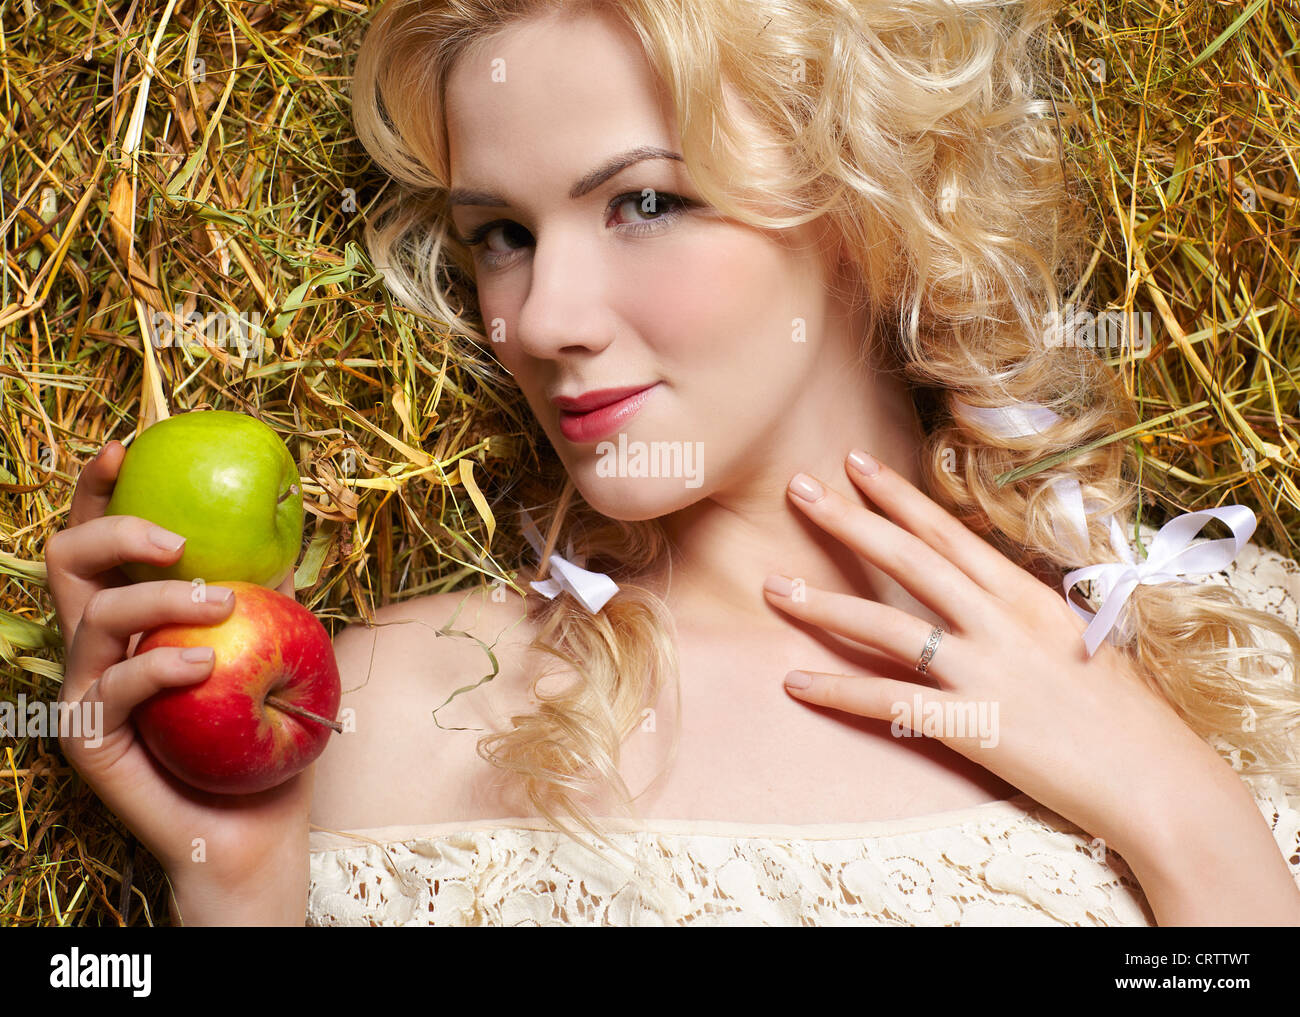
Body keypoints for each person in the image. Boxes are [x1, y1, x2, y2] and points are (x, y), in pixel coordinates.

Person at [48, 0, 1300, 926]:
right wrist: (240, 889)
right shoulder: (389, 715)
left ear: (860, 196)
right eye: (501, 234)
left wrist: (1180, 812)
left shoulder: (1241, 653)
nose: (543, 318)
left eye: (644, 203)